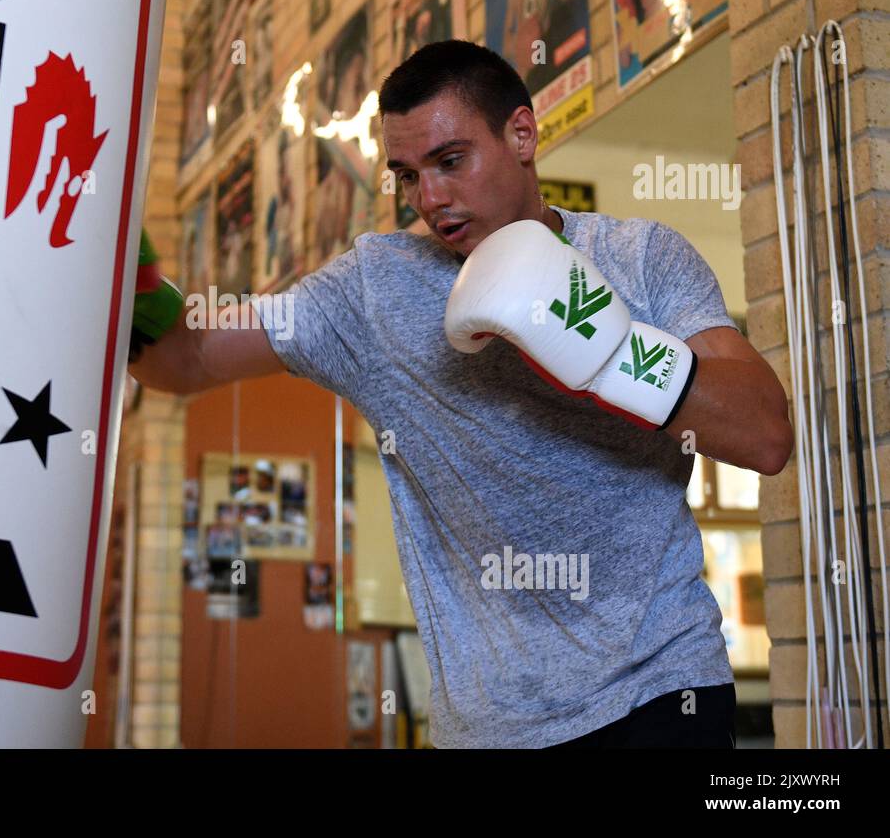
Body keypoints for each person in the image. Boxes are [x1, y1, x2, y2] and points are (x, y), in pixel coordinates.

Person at [128, 40, 792, 748]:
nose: (430, 199)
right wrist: (110, 251)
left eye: (451, 161)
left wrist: (605, 348)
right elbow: (189, 356)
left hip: (662, 692)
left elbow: (765, 434)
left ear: (523, 134)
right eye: (407, 176)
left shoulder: (640, 258)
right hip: (488, 729)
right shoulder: (374, 291)